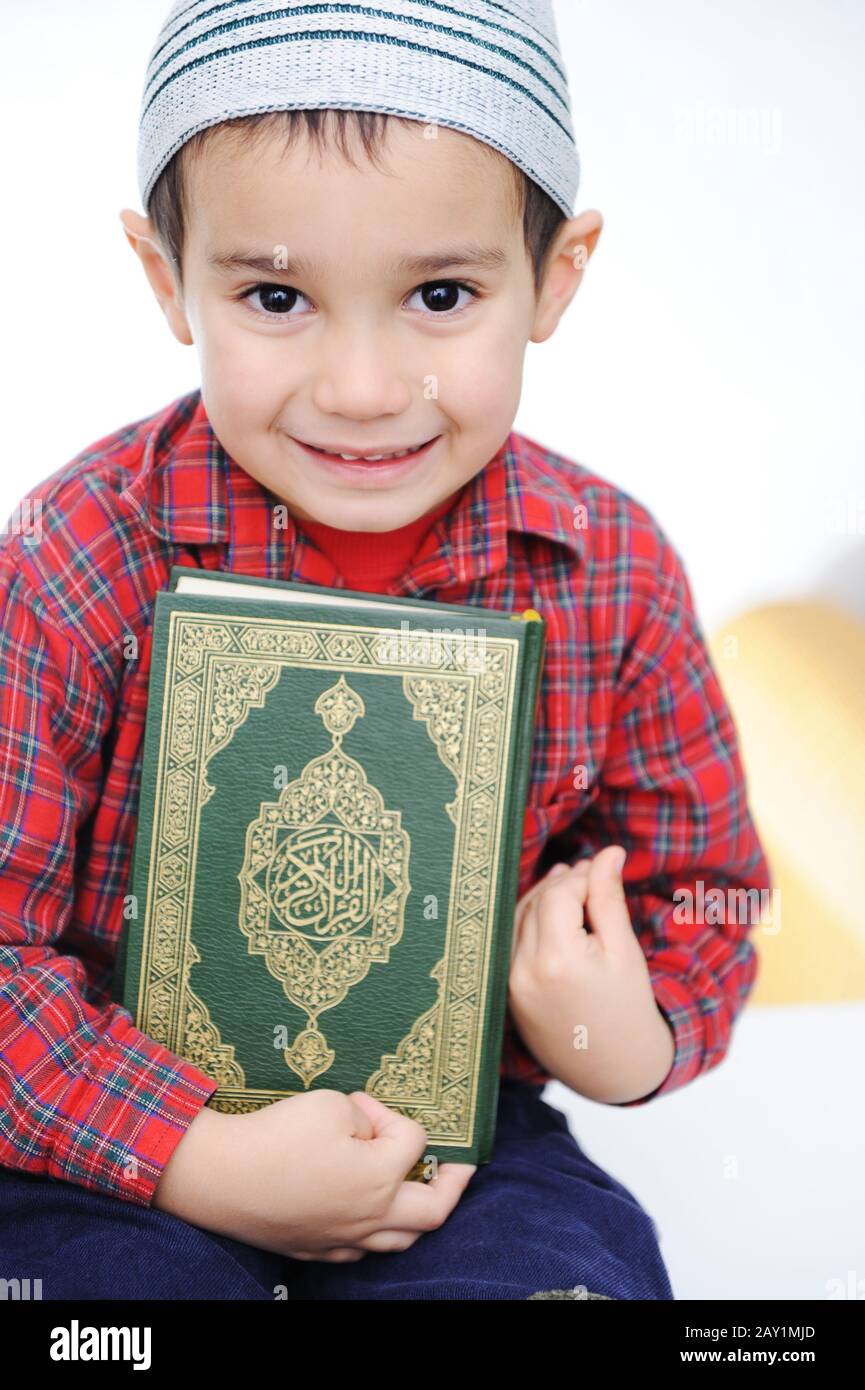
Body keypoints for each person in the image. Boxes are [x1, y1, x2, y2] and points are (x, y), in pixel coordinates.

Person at [0, 0, 770, 1300]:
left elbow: (708, 895)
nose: (361, 387)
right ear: (165, 277)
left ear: (556, 276)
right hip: (109, 1128)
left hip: (458, 1135)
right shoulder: (74, 558)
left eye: (439, 294)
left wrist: (611, 1031)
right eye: (278, 295)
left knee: (569, 1282)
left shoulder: (610, 568)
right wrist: (190, 1154)